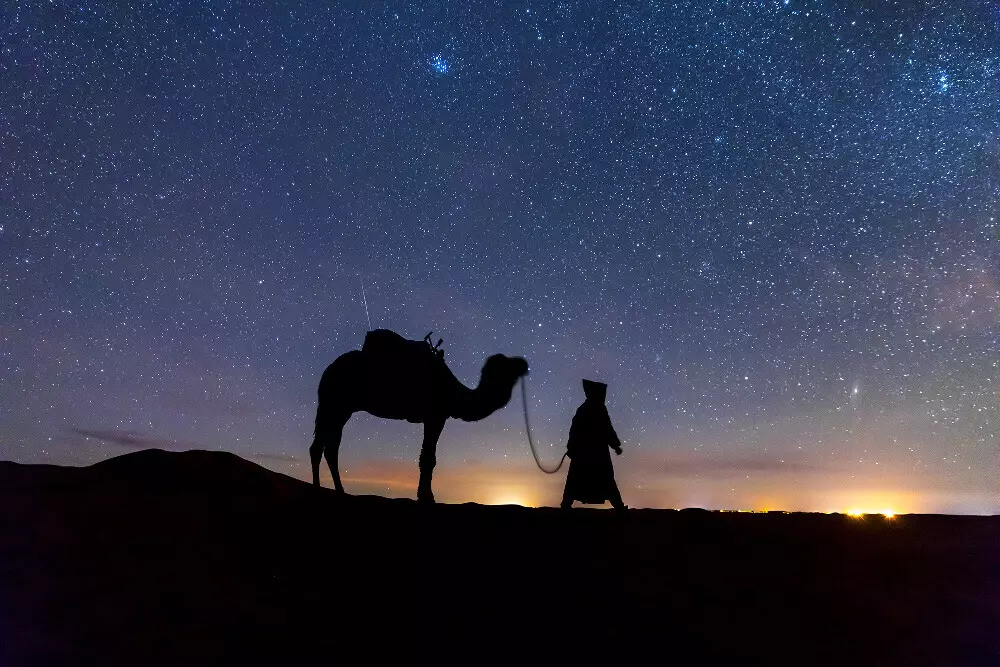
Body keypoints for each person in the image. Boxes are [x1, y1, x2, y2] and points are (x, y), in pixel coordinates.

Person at [560, 379, 627, 512]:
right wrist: (615, 445)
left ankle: (565, 506)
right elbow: (607, 428)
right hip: (597, 453)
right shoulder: (598, 408)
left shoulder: (583, 409)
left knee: (575, 480)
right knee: (606, 479)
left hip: (582, 454)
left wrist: (572, 446)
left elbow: (574, 430)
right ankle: (619, 508)